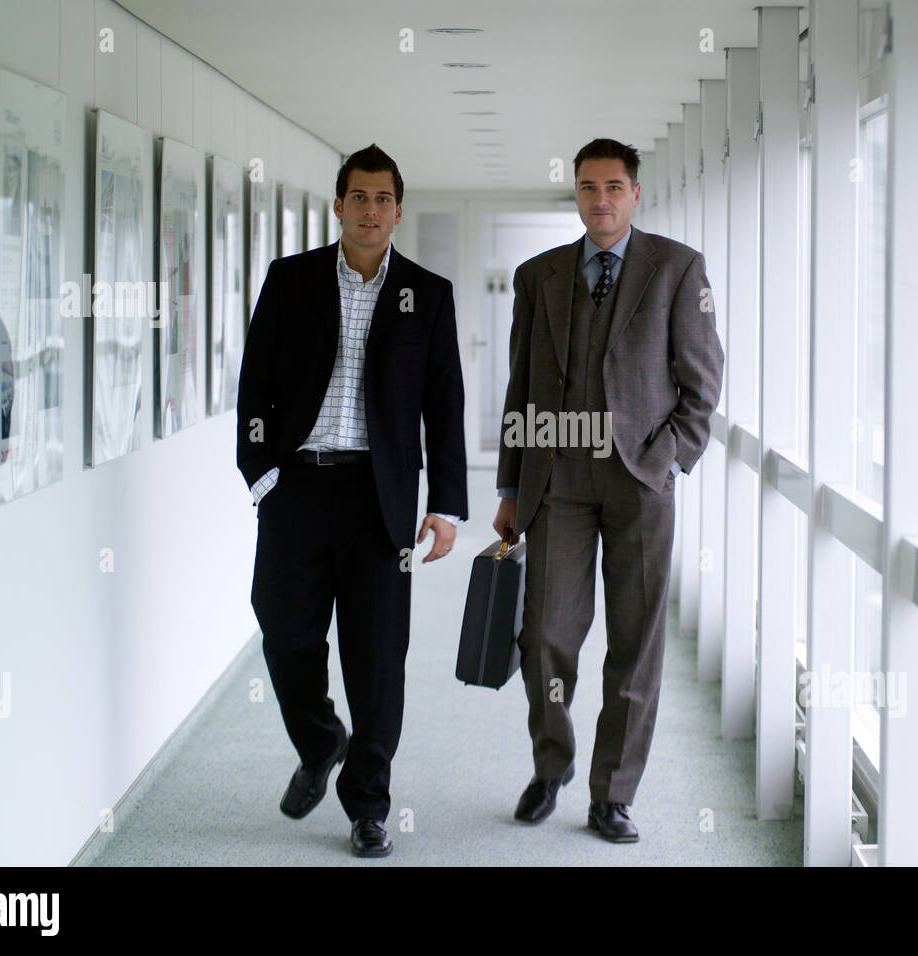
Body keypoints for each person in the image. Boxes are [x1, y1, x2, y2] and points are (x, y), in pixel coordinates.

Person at [237, 144, 467, 858]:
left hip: (380, 498)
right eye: (358, 197)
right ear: (337, 205)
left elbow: (445, 405)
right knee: (282, 627)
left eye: (383, 199)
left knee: (377, 660)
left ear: (399, 210)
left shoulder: (427, 295)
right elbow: (256, 385)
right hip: (298, 486)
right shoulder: (291, 279)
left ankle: (368, 805)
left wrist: (447, 504)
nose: (371, 211)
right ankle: (320, 738)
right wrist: (262, 473)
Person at [493, 138, 724, 842]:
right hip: (557, 478)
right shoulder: (538, 277)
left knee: (635, 642)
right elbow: (520, 385)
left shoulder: (679, 270)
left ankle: (613, 793)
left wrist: (666, 461)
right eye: (589, 187)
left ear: (635, 193)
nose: (601, 199)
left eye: (614, 187)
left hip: (639, 482)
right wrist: (509, 484)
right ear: (575, 194)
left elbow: (703, 382)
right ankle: (551, 764)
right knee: (546, 637)